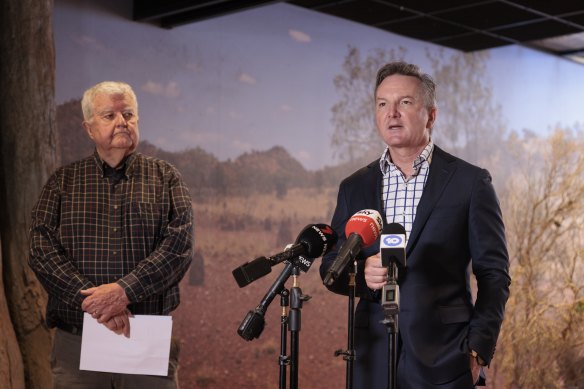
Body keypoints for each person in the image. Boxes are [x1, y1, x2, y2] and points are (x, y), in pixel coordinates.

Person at [320, 62, 510, 389]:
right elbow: (330, 268)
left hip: (447, 357)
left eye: (405, 102)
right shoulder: (354, 187)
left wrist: (479, 348)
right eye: (382, 104)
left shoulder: (471, 182)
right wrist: (362, 275)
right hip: (371, 358)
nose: (392, 113)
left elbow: (494, 274)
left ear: (431, 115)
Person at [29, 81, 194, 388]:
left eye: (128, 114)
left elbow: (179, 248)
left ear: (138, 122)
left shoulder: (167, 178)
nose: (122, 122)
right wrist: (95, 302)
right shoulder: (62, 183)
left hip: (145, 339)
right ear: (89, 128)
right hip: (76, 343)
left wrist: (123, 292)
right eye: (109, 115)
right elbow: (41, 251)